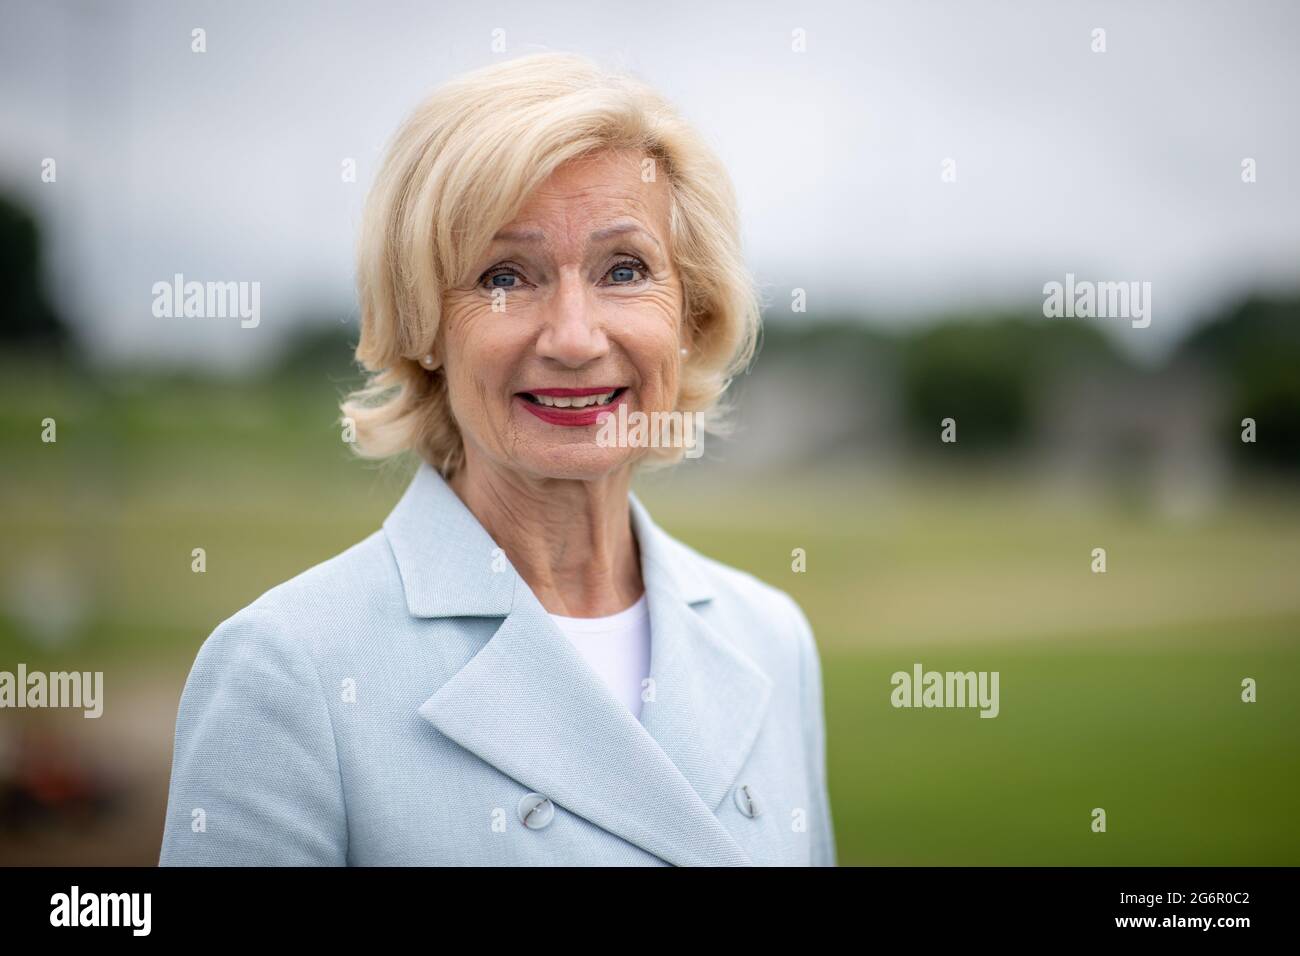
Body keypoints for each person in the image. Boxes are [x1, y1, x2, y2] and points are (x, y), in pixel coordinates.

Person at [160, 52, 835, 866]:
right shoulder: (287, 669)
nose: (577, 338)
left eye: (625, 269)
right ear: (424, 327)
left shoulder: (772, 640)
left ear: (691, 312)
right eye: (504, 276)